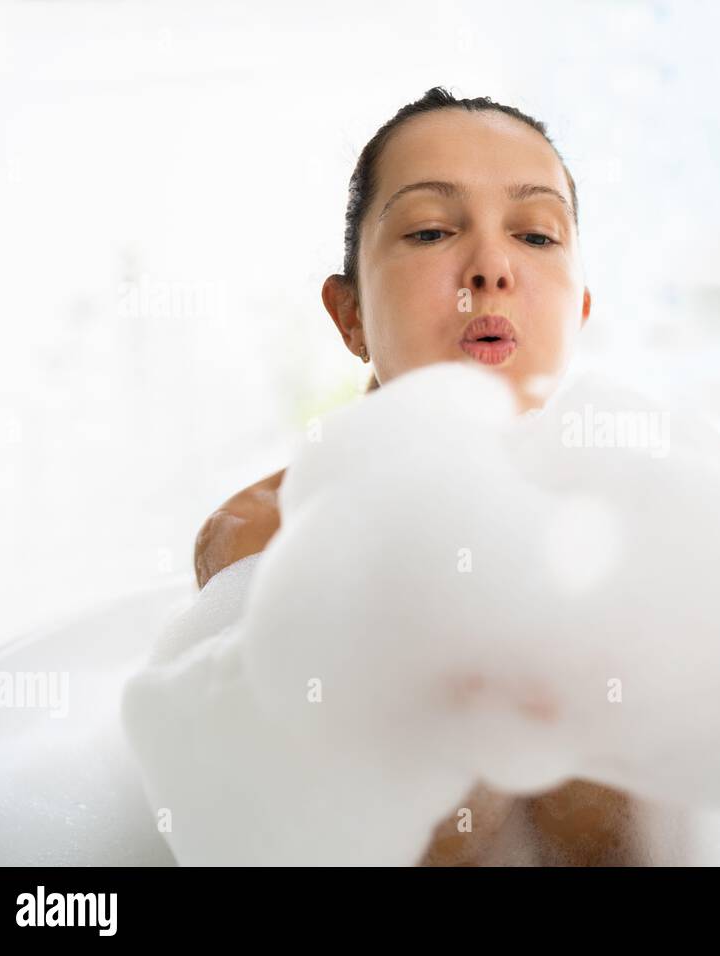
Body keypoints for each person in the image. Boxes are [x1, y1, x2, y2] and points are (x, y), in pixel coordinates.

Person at [192, 87, 633, 866]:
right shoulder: (267, 534)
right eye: (430, 230)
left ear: (581, 313)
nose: (492, 267)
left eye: (536, 235)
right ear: (349, 315)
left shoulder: (645, 516)